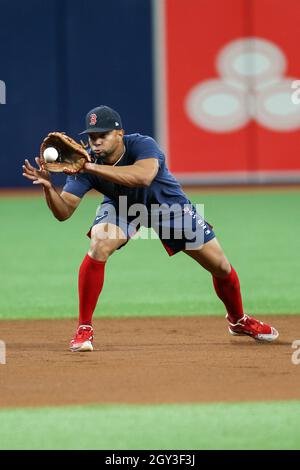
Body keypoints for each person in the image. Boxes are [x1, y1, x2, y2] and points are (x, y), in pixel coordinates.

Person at [23, 105, 279, 351]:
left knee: (221, 266)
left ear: (119, 133)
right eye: (91, 137)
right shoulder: (84, 164)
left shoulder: (141, 144)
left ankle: (238, 320)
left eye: (102, 135)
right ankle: (84, 327)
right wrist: (49, 188)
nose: (96, 141)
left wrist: (89, 167)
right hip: (122, 207)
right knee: (100, 243)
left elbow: (143, 177)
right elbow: (63, 212)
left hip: (168, 207)